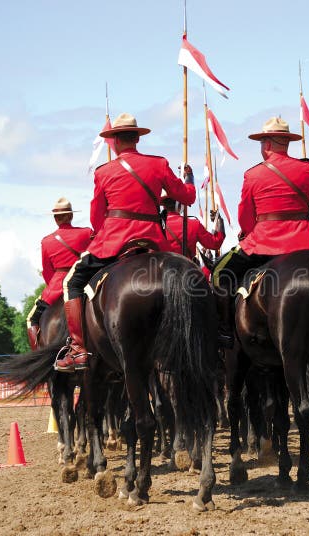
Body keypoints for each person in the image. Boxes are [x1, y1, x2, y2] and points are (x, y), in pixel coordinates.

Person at [56, 113, 196, 372]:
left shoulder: (104, 172)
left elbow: (97, 217)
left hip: (114, 242)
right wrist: (189, 181)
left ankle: (78, 349)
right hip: (154, 240)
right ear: (136, 139)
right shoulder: (159, 163)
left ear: (115, 142)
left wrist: (104, 232)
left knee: (72, 282)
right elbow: (186, 198)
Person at [213, 116, 309, 347]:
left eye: (262, 142)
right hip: (304, 244)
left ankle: (224, 330)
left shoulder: (253, 175)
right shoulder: (306, 168)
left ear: (268, 144)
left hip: (262, 244)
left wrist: (247, 232)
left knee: (220, 274)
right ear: (286, 143)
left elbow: (245, 216)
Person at [25, 198, 92, 350]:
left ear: (55, 218)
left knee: (31, 319)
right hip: (84, 281)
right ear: (71, 216)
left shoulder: (47, 242)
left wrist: (54, 287)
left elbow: (47, 272)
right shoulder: (87, 233)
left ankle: (38, 358)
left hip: (57, 287)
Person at [161, 196, 226, 259]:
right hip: (185, 268)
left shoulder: (155, 224)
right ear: (179, 205)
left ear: (163, 206)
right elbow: (215, 243)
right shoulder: (194, 224)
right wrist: (219, 221)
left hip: (157, 267)